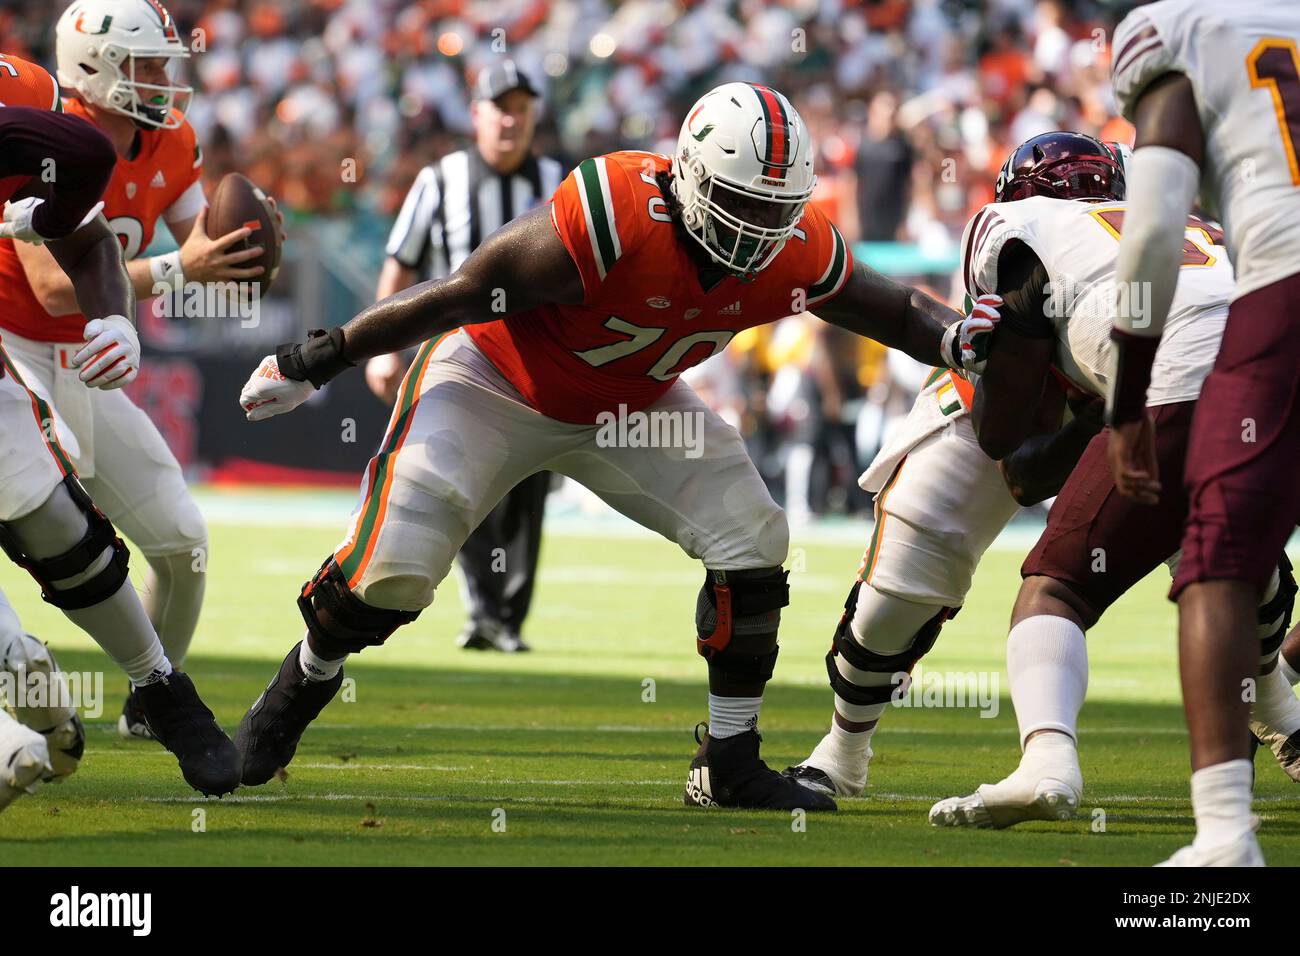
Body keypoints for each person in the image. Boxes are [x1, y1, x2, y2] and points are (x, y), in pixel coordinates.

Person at [236, 81, 998, 812]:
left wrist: (957, 337)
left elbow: (894, 310)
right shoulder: (617, 211)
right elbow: (467, 288)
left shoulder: (793, 249)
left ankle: (729, 762)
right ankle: (306, 676)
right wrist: (320, 357)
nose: (757, 230)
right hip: (497, 384)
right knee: (391, 579)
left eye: (776, 210)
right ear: (690, 176)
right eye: (739, 203)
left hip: (631, 406)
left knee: (755, 536)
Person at [0, 0, 276, 742]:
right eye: (146, 64)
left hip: (94, 357)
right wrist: (183, 269)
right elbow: (55, 287)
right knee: (45, 526)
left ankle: (153, 704)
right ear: (96, 66)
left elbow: (204, 249)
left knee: (183, 543)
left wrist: (247, 251)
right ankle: (21, 689)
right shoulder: (49, 131)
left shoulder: (171, 139)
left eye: (162, 64)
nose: (162, 79)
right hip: (18, 353)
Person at [1105, 0, 1300, 865]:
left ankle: (1226, 835)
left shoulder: (1183, 30)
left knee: (1218, 562)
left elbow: (1150, 229)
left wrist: (1126, 404)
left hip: (1285, 289)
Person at [365, 62, 564, 653]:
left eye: (522, 109)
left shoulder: (558, 179)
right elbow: (401, 263)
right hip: (464, 355)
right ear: (475, 113)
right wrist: (383, 347)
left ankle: (508, 616)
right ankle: (483, 611)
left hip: (541, 361)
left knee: (529, 489)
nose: (510, 119)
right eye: (500, 107)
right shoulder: (441, 179)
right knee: (463, 480)